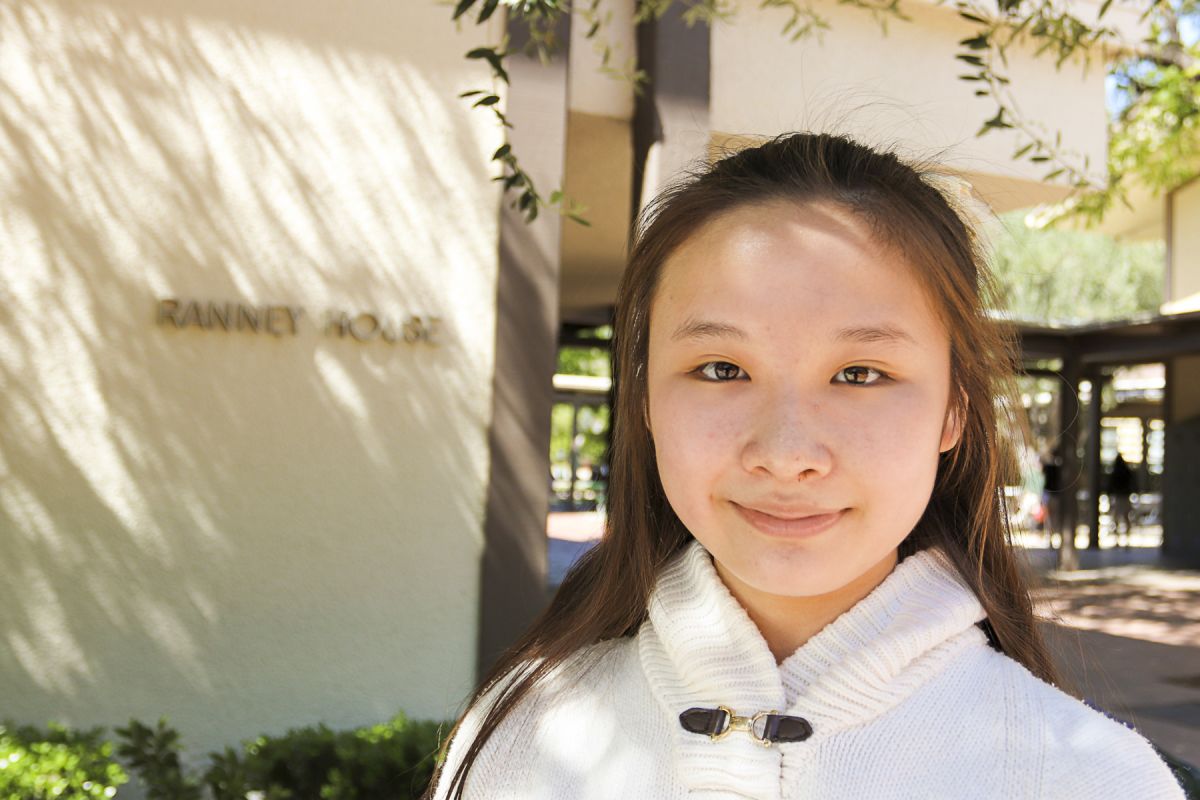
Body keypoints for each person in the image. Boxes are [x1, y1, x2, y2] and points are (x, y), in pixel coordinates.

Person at [427, 134, 1185, 799]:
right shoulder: (523, 730)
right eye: (721, 368)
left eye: (859, 373)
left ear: (954, 410)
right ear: (645, 401)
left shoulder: (1092, 779)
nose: (787, 453)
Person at [1108, 454, 1135, 547]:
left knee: (1117, 519)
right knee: (1126, 518)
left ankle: (1117, 539)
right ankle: (1127, 539)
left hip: (1119, 497)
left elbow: (1111, 485)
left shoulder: (1115, 472)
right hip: (1125, 497)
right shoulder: (1126, 471)